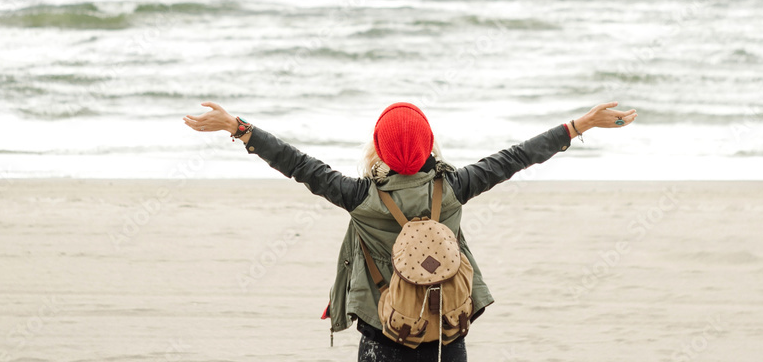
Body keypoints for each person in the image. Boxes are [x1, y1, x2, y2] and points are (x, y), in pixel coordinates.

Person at [184, 101, 637, 361]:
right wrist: (579, 125)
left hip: (384, 330)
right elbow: (517, 156)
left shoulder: (358, 195)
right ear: (429, 145)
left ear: (379, 147)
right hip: (447, 331)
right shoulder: (456, 186)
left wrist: (239, 128)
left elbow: (298, 164)